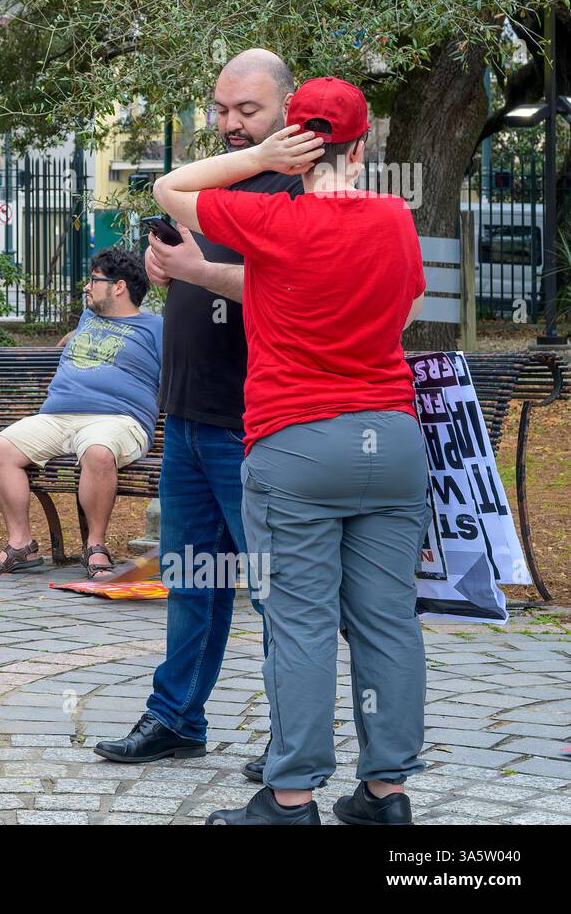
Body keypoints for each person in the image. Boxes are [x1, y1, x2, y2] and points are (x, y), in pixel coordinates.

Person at [154, 77, 429, 825]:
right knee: (387, 620)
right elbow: (403, 305)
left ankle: (291, 797)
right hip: (394, 440)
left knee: (300, 623)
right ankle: (385, 791)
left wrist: (260, 159)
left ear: (297, 147)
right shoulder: (395, 220)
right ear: (364, 144)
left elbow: (171, 184)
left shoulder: (273, 219)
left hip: (299, 443)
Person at [95, 49, 296, 775]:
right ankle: (176, 716)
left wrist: (198, 271)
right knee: (190, 577)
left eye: (249, 110)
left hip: (254, 420)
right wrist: (163, 267)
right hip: (184, 413)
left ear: (286, 109)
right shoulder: (216, 179)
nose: (232, 124)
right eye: (222, 108)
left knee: (276, 589)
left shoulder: (297, 186)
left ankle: (292, 736)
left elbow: (284, 286)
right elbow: (195, 261)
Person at [0, 247, 161, 576]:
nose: (86, 286)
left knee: (98, 453)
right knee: (0, 449)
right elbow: (82, 335)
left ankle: (95, 546)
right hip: (57, 417)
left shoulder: (157, 328)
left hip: (117, 419)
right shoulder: (89, 317)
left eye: (94, 280)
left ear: (119, 287)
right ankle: (21, 545)